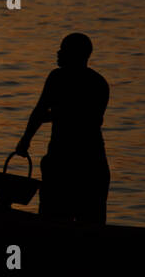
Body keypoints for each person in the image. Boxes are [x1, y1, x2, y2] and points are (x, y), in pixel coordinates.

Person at [14, 33, 110, 224]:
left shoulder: (57, 78)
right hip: (94, 167)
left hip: (63, 165)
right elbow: (87, 119)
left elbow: (41, 111)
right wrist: (55, 115)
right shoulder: (99, 83)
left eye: (63, 49)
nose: (58, 52)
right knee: (91, 228)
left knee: (53, 224)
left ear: (75, 54)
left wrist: (25, 140)